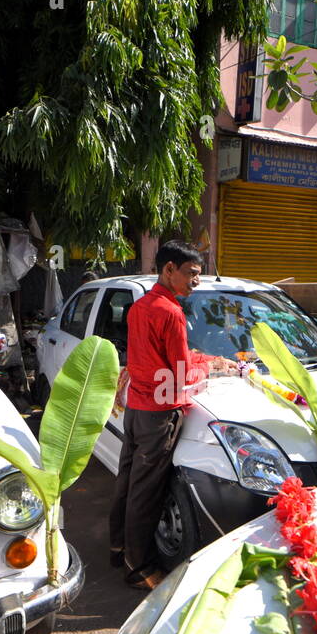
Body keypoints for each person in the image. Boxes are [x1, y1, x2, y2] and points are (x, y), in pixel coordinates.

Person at [109, 240, 232, 590]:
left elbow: (157, 359)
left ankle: (118, 548)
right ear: (169, 269)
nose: (196, 280)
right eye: (192, 273)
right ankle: (139, 567)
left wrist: (202, 359)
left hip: (136, 409)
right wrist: (212, 370)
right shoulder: (172, 312)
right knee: (146, 492)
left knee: (128, 481)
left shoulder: (140, 307)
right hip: (160, 413)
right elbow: (179, 375)